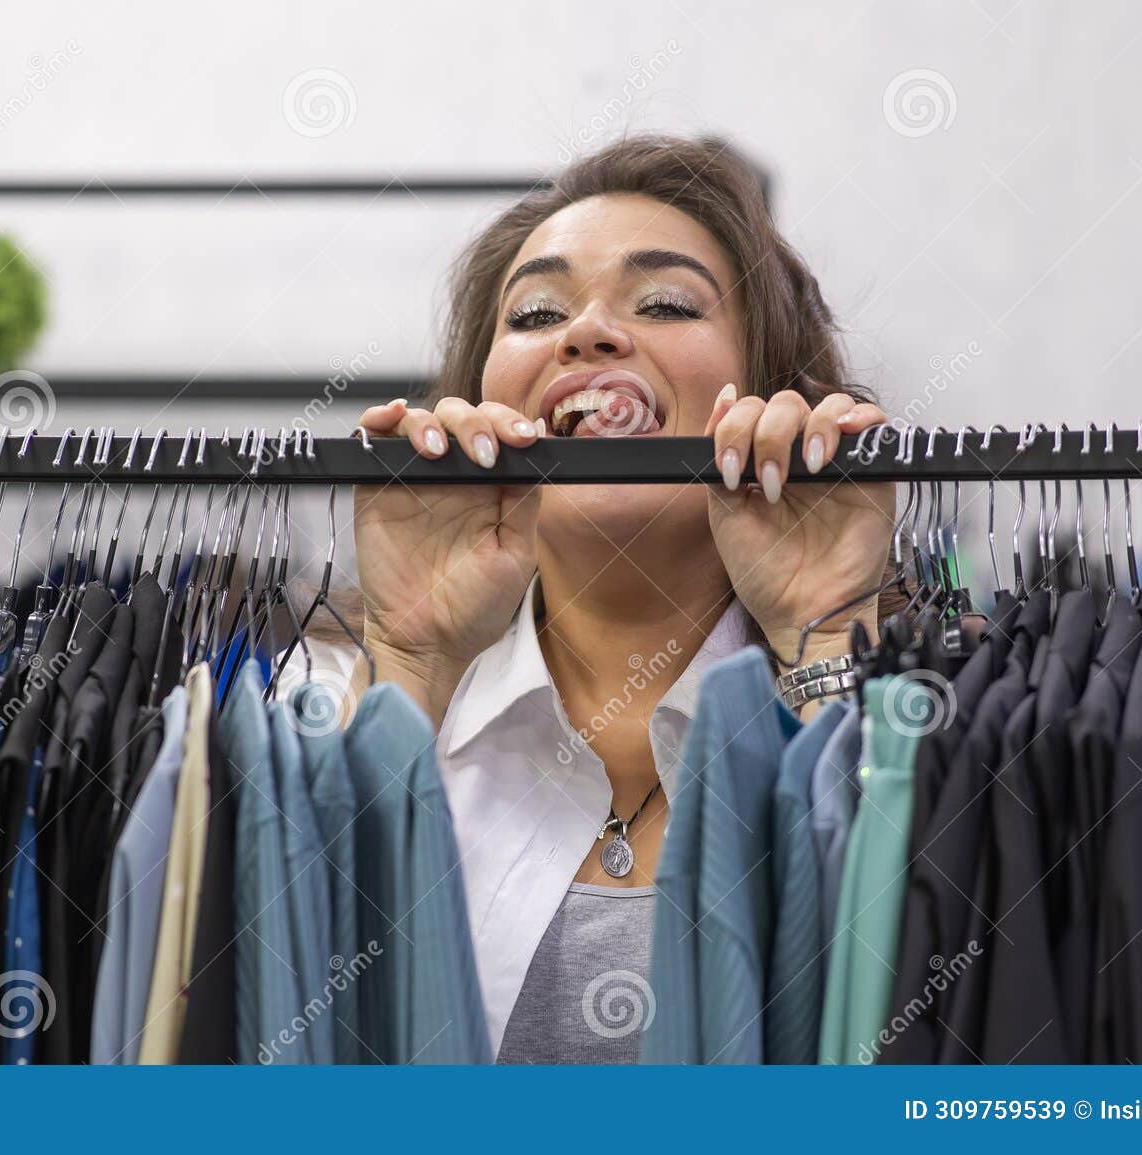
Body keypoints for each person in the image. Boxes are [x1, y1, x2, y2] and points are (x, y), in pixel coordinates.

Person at [280, 134, 897, 1063]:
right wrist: (411, 657)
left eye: (665, 303)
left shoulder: (934, 722)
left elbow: (934, 1038)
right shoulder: (316, 706)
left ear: (770, 395)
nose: (588, 333)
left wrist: (829, 634)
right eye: (536, 313)